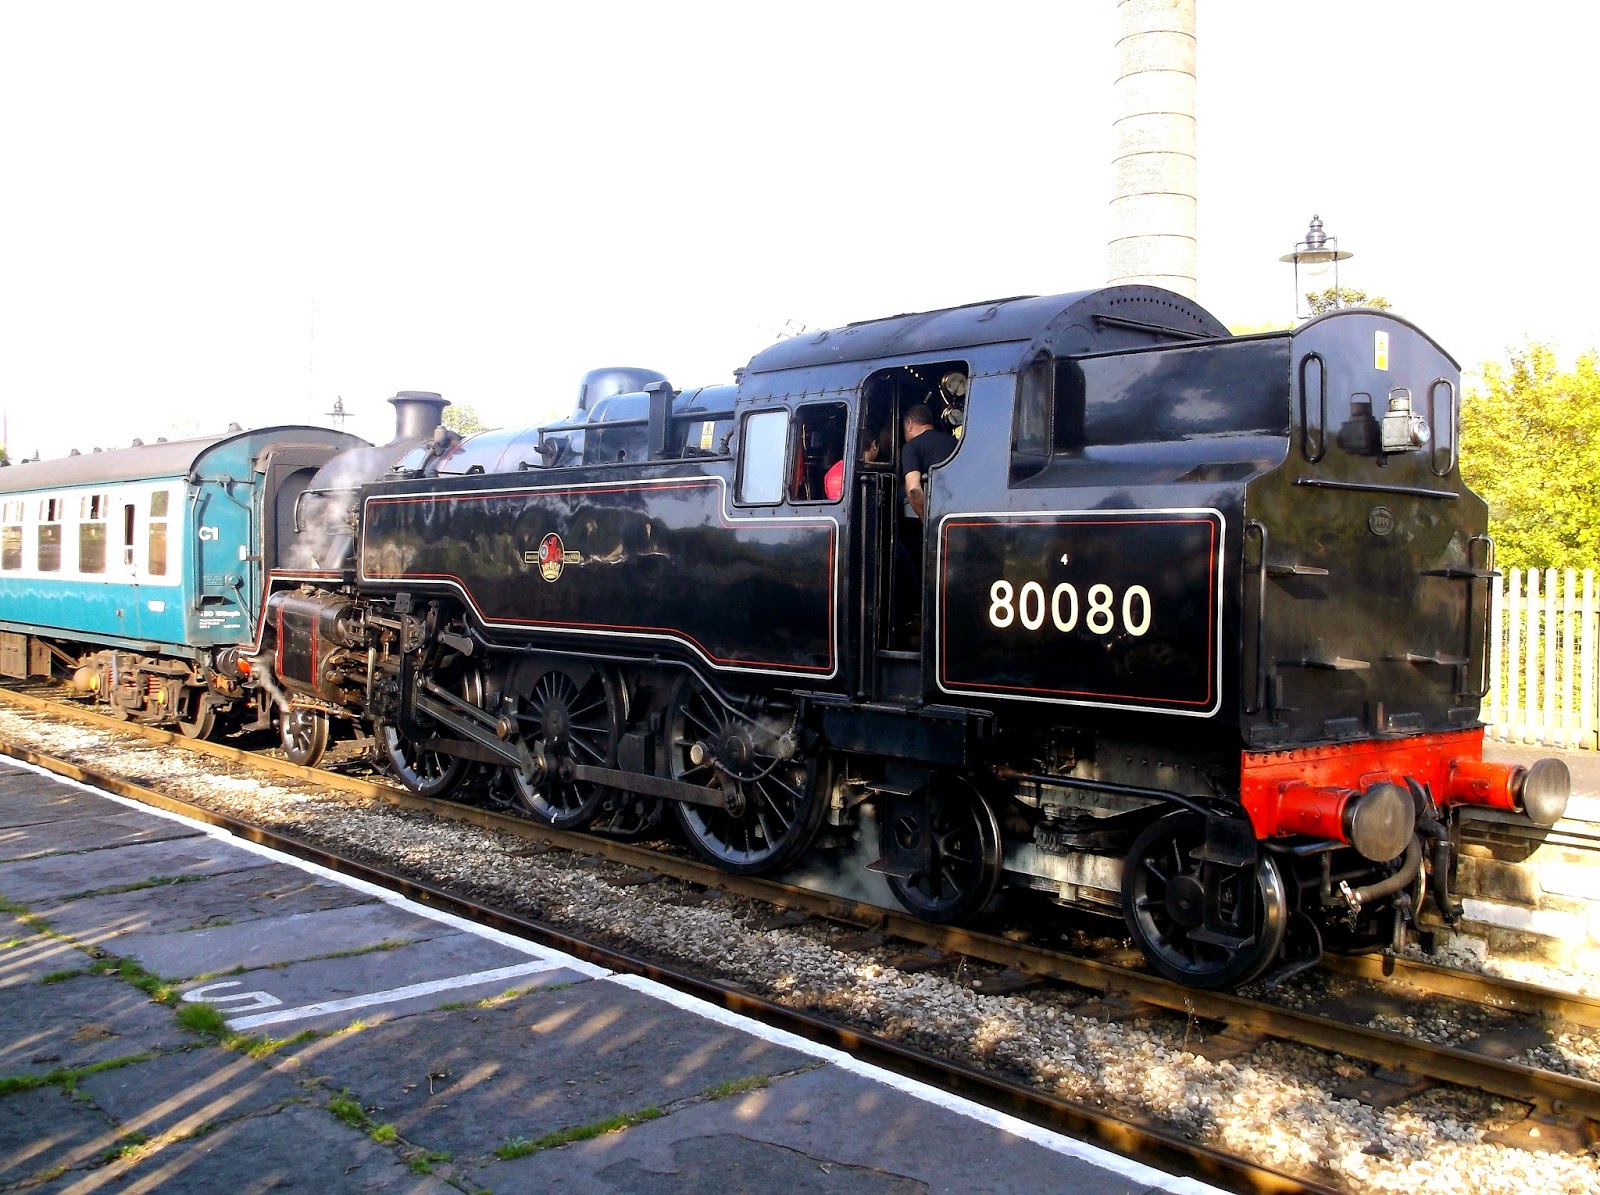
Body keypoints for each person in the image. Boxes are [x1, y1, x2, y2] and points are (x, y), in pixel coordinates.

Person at [899, 404, 958, 519]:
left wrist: (927, 521)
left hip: (938, 516)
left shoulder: (911, 447)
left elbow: (913, 489)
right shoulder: (954, 442)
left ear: (910, 423)